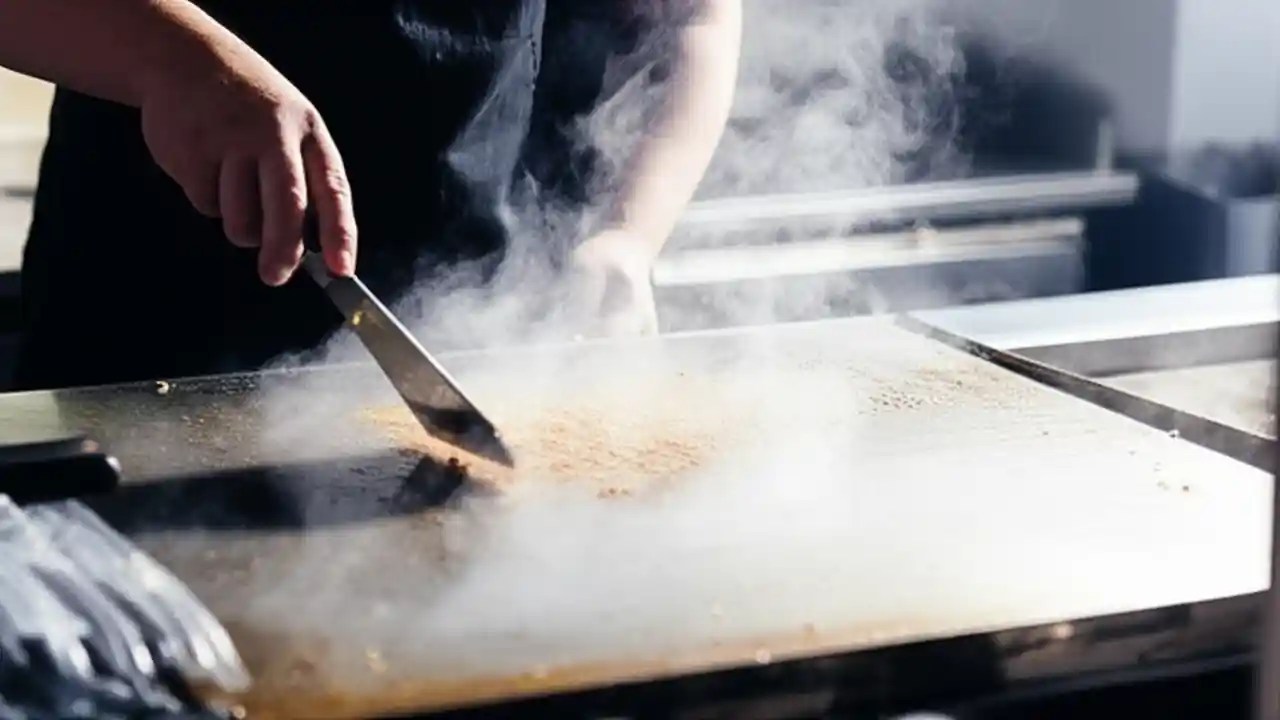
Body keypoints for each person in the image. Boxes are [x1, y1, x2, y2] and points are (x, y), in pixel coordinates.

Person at [0, 0, 741, 390]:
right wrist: (171, 58)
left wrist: (627, 234)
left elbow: (688, 16)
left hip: (474, 338)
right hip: (138, 343)